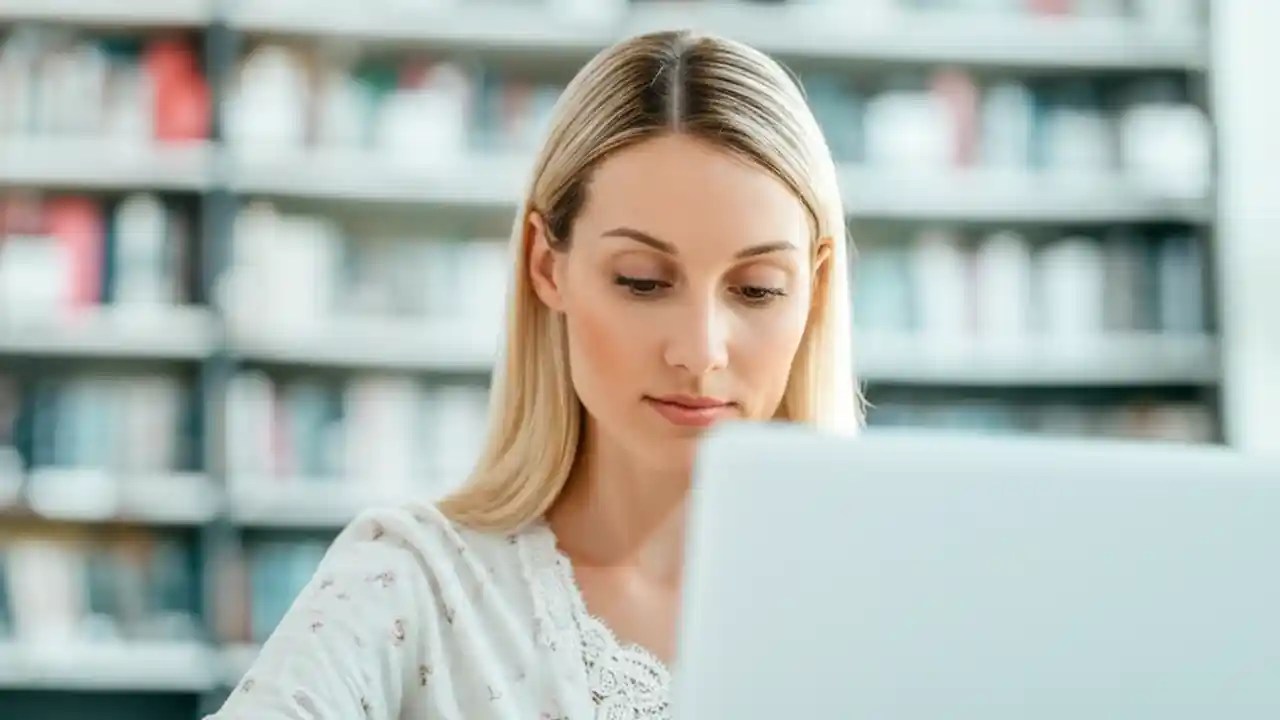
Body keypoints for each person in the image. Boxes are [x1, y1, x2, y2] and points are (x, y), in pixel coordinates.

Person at [207, 28, 863, 720]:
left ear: (815, 288)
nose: (700, 352)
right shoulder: (409, 584)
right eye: (642, 282)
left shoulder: (874, 601)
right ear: (547, 267)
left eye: (757, 288)